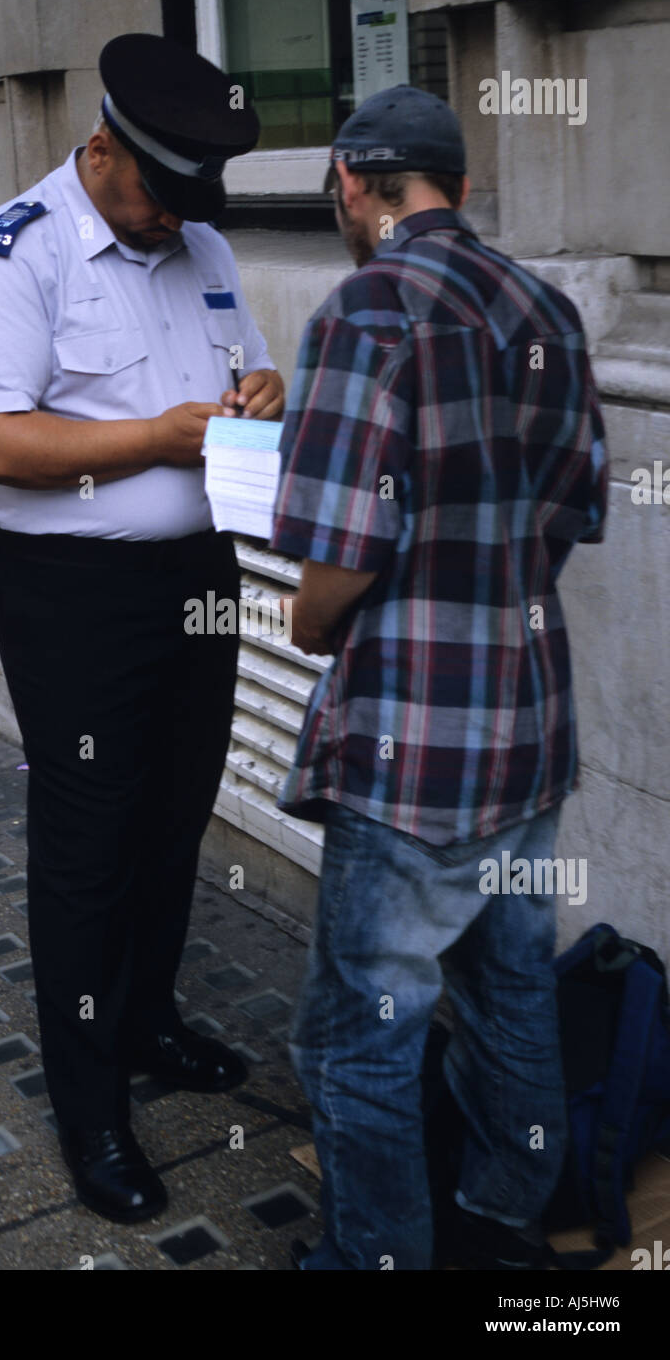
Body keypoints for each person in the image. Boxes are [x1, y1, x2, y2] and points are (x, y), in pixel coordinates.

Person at [0, 32, 284, 1225]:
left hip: (201, 574)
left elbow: (254, 372)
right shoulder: (11, 255)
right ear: (101, 149)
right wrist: (155, 437)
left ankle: (146, 1021)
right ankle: (90, 1105)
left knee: (176, 812)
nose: (174, 223)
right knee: (88, 849)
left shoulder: (204, 239)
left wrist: (259, 396)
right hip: (73, 597)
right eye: (157, 197)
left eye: (194, 203)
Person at [269, 84, 608, 1270]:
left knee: (359, 1036)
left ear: (357, 184)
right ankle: (504, 1214)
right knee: (512, 988)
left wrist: (303, 618)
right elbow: (569, 511)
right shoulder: (547, 307)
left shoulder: (366, 312)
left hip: (414, 751)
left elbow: (340, 560)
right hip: (527, 724)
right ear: (456, 186)